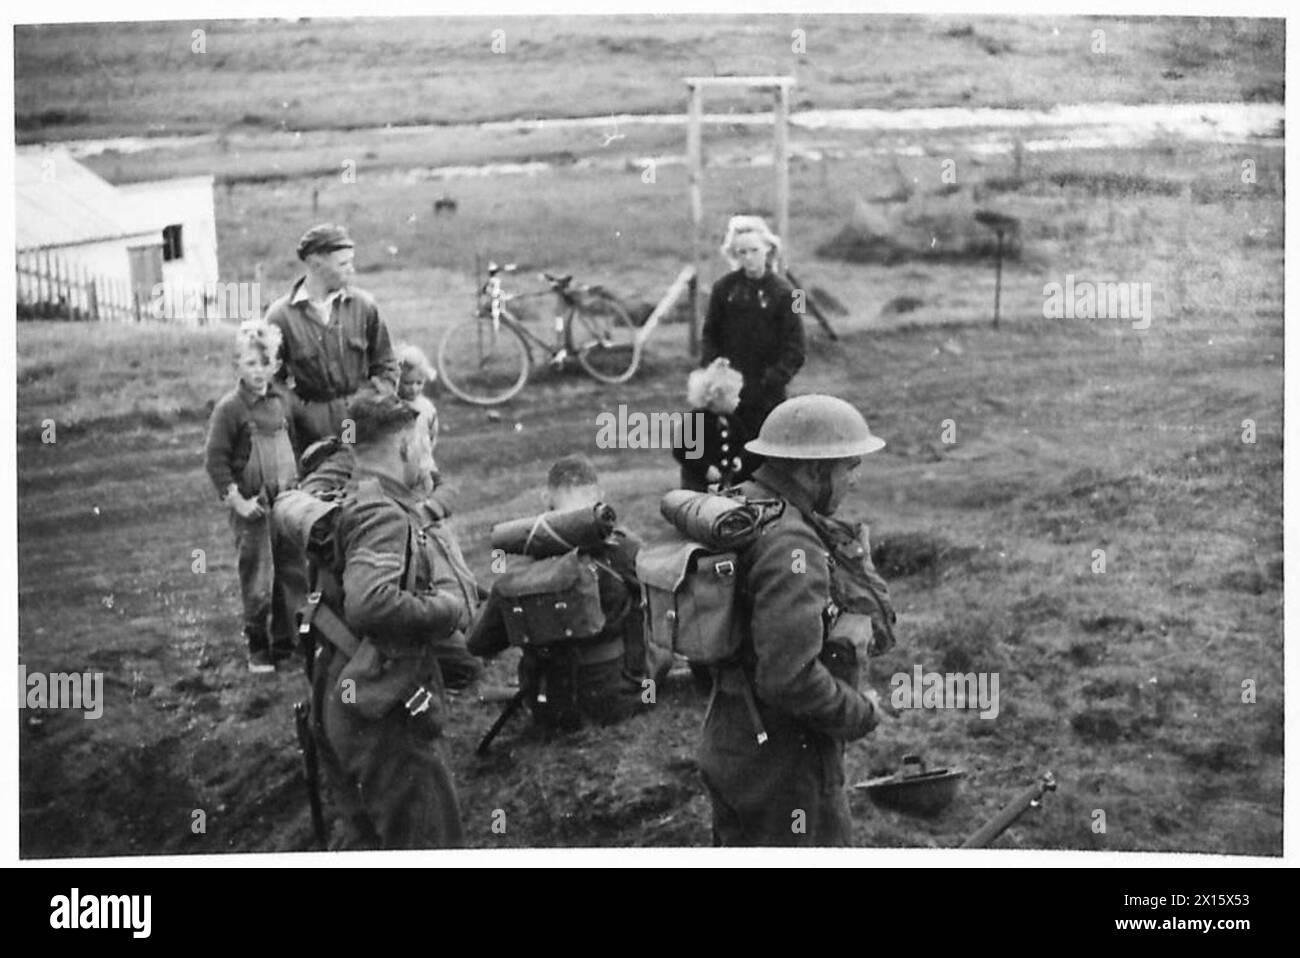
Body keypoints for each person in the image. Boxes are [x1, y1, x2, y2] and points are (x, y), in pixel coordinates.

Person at [698, 394, 888, 846]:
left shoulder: (745, 506)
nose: (855, 481)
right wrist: (862, 713)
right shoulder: (792, 546)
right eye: (849, 467)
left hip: (735, 739)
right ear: (811, 472)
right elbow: (790, 678)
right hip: (784, 766)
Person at [312, 388, 477, 848]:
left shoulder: (350, 494)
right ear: (405, 445)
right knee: (427, 843)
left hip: (342, 690)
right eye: (422, 442)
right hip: (384, 710)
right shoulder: (383, 513)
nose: (427, 455)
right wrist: (446, 607)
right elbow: (370, 602)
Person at [468, 455, 663, 729]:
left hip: (548, 706)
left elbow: (479, 643)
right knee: (660, 647)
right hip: (615, 701)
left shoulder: (518, 563)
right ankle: (647, 694)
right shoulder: (625, 548)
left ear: (545, 497)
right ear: (599, 495)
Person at [204, 321, 308, 673]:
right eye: (250, 364)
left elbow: (295, 444)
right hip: (254, 508)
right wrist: (238, 502)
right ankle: (258, 645)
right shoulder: (229, 409)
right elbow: (215, 460)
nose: (259, 371)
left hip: (287, 503)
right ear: (237, 365)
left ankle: (286, 643)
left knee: (293, 573)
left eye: (266, 363)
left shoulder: (284, 402)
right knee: (258, 579)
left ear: (275, 365)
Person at [264, 223, 400, 453]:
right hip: (310, 429)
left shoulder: (363, 306)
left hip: (357, 420)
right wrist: (298, 411)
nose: (352, 270)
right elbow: (271, 380)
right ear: (316, 264)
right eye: (343, 263)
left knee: (355, 470)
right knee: (318, 481)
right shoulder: (281, 316)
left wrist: (374, 402)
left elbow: (386, 365)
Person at [700, 215, 806, 446]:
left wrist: (772, 379)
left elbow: (796, 348)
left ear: (768, 249)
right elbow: (710, 334)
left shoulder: (788, 293)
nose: (748, 258)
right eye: (742, 252)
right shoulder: (724, 289)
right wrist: (713, 365)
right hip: (729, 393)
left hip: (767, 395)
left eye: (754, 250)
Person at [672, 356, 751, 492]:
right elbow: (682, 451)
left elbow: (742, 442)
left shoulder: (732, 421)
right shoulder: (696, 420)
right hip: (697, 484)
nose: (738, 401)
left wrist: (738, 458)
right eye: (734, 396)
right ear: (717, 397)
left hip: (724, 481)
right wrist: (704, 468)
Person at [395, 343, 441, 492]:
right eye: (407, 383)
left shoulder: (427, 408)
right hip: (399, 472)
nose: (414, 388)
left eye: (419, 383)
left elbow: (432, 434)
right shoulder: (391, 407)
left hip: (423, 467)